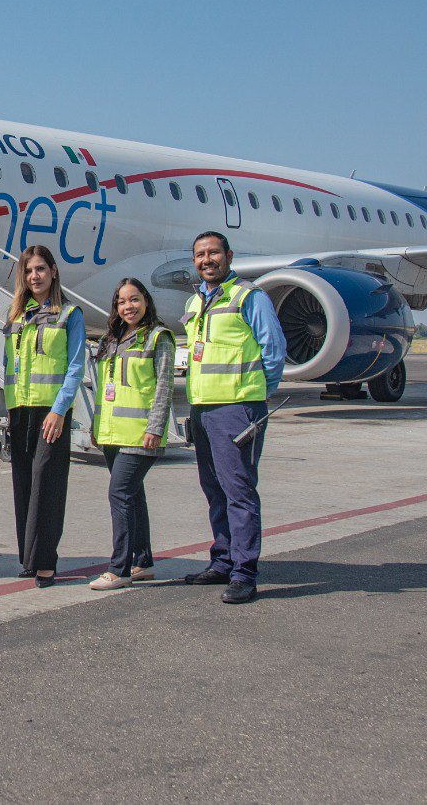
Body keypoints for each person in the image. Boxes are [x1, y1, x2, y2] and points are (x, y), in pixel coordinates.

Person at [180, 230, 285, 604]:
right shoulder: (195, 302)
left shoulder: (248, 297)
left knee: (239, 491)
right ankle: (223, 561)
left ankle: (244, 573)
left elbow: (274, 350)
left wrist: (257, 394)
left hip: (237, 409)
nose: (206, 260)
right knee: (214, 490)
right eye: (200, 255)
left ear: (229, 256)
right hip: (202, 408)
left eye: (213, 253)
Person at [2, 244, 87, 588]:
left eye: (40, 269)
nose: (34, 276)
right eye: (28, 271)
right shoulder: (17, 317)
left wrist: (60, 409)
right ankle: (28, 558)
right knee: (23, 485)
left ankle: (45, 562)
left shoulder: (70, 314)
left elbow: (76, 366)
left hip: (51, 413)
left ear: (53, 271)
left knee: (46, 486)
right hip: (19, 411)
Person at [88, 278, 175, 591]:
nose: (129, 306)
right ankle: (143, 562)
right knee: (133, 495)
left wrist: (156, 427)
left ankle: (119, 568)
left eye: (134, 299)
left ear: (146, 301)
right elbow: (103, 389)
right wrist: (97, 426)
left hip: (140, 433)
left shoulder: (158, 337)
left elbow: (164, 385)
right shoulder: (111, 339)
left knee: (120, 493)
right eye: (122, 302)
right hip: (113, 433)